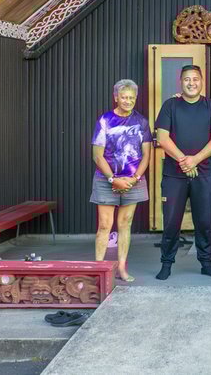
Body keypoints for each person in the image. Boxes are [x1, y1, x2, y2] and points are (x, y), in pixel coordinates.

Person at [154, 64, 211, 280]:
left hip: (203, 174)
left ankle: (206, 263)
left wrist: (194, 160)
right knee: (171, 221)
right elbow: (163, 138)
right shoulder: (170, 105)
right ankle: (166, 263)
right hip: (173, 175)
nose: (191, 83)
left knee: (203, 221)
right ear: (181, 82)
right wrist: (184, 160)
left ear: (201, 81)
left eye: (195, 79)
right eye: (187, 79)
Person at [90, 79, 151, 282]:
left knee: (125, 224)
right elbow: (97, 155)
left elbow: (146, 155)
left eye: (131, 97)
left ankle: (122, 268)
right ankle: (99, 270)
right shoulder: (105, 121)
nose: (128, 101)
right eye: (124, 97)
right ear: (116, 97)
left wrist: (134, 179)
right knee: (105, 225)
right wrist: (112, 179)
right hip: (106, 180)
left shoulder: (142, 122)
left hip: (133, 180)